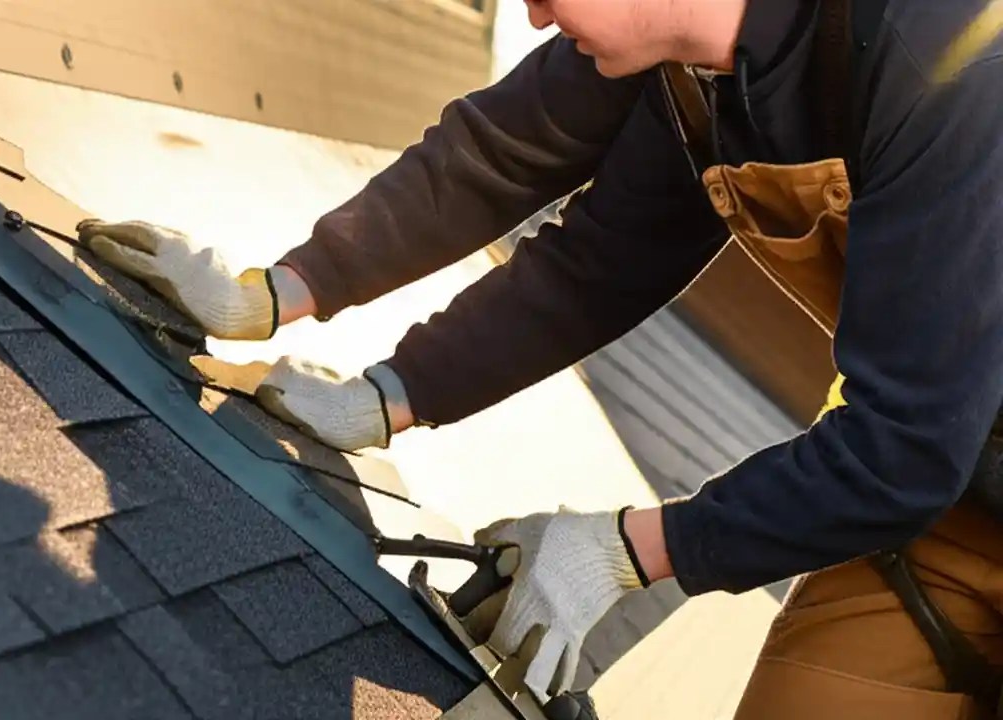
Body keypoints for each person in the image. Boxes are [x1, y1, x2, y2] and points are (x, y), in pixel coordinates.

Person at [78, 0, 1003, 716]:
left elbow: (902, 445)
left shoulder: (956, 55)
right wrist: (290, 306)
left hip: (921, 464)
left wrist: (625, 552)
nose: (530, 13)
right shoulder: (691, 64)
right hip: (949, 520)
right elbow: (548, 205)